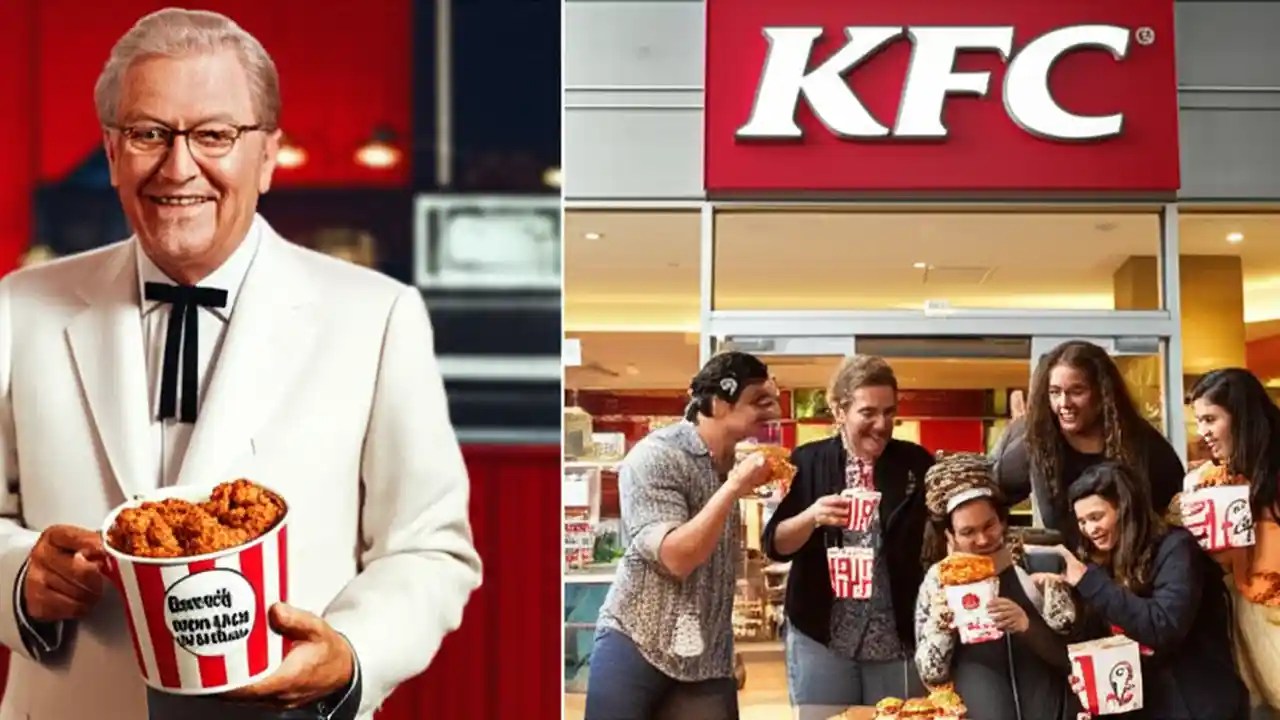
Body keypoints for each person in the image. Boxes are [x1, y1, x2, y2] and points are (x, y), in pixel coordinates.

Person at [0, 9, 482, 720]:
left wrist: (350, 654)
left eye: (214, 135)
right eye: (148, 134)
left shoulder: (378, 316)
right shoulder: (20, 305)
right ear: (112, 153)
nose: (178, 166)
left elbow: (431, 550)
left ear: (267, 155)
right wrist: (18, 578)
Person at [585, 352, 780, 720]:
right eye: (758, 401)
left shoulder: (726, 464)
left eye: (772, 400)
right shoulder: (657, 456)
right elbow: (676, 558)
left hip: (706, 661)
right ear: (719, 404)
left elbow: (715, 573)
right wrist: (734, 488)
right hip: (637, 646)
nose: (770, 412)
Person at [762, 355, 934, 719]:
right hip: (821, 635)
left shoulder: (916, 464)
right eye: (868, 412)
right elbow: (775, 544)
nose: (882, 424)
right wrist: (811, 517)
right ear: (840, 410)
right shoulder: (808, 462)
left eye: (889, 412)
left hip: (896, 636)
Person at [1049, 462, 1248, 720]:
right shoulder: (1103, 563)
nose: (1090, 530)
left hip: (1198, 704)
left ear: (1125, 509)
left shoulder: (1177, 549)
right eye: (1082, 522)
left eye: (1096, 517)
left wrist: (1088, 580)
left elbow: (1162, 625)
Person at [914, 453, 1081, 720]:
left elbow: (1072, 658)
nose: (982, 540)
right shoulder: (938, 581)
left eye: (989, 525)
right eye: (967, 532)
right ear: (949, 535)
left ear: (1002, 520)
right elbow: (931, 673)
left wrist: (1027, 625)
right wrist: (943, 624)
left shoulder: (1038, 563)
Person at [992, 340, 1183, 548]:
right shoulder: (1037, 444)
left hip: (1139, 571)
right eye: (1055, 392)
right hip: (1070, 573)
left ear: (1102, 394)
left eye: (1077, 391)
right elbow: (986, 497)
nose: (1064, 403)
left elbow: (1175, 509)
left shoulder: (1142, 441)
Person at [1185, 368, 1280, 719]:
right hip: (1248, 623)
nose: (1203, 432)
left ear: (1239, 416)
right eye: (1199, 421)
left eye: (1210, 419)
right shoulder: (1219, 477)